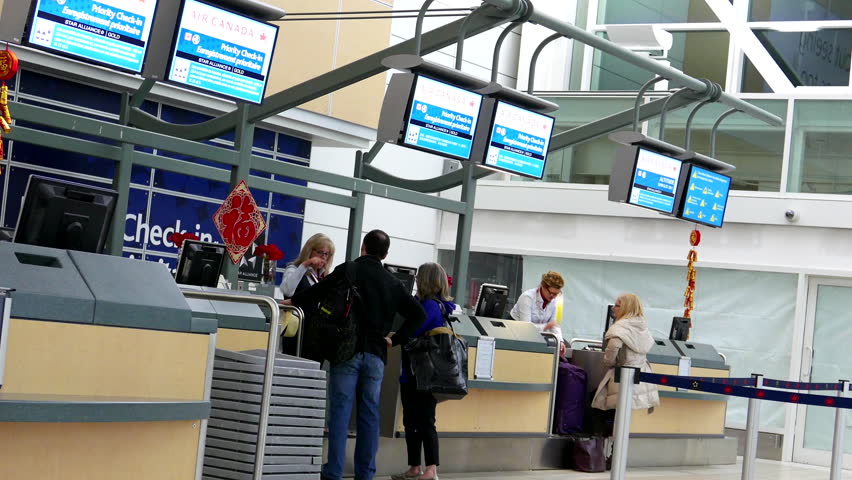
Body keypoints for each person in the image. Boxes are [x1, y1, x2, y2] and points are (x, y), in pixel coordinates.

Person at [283, 229, 425, 480]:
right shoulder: (392, 282)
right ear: (385, 254)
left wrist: (292, 302)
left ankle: (334, 471)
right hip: (376, 354)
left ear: (363, 247)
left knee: (340, 411)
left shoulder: (349, 269)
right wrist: (395, 339)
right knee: (369, 414)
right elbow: (418, 315)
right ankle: (365, 474)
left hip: (345, 352)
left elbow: (318, 291)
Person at [392, 262, 453, 480]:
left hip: (421, 373)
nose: (416, 280)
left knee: (424, 420)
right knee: (412, 421)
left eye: (419, 277)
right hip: (418, 372)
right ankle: (415, 466)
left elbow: (413, 330)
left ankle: (431, 469)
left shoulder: (430, 307)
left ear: (425, 280)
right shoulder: (439, 306)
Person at [591, 293, 660, 467]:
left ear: (626, 308)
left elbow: (612, 349)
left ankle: (596, 453)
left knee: (598, 406)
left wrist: (608, 362)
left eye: (617, 305)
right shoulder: (642, 326)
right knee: (621, 417)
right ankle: (615, 455)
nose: (613, 308)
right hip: (640, 376)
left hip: (621, 376)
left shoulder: (620, 327)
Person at [279, 233, 335, 360]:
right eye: (320, 252)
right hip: (297, 330)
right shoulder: (294, 268)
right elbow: (287, 290)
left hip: (317, 333)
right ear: (310, 250)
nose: (323, 257)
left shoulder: (324, 276)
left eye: (327, 254)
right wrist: (305, 265)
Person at [509, 271, 566, 355]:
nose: (553, 297)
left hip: (539, 334)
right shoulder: (527, 297)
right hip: (516, 332)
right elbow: (526, 327)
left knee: (563, 345)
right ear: (543, 286)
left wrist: (560, 341)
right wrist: (545, 326)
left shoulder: (557, 300)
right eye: (551, 293)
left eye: (556, 294)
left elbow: (554, 325)